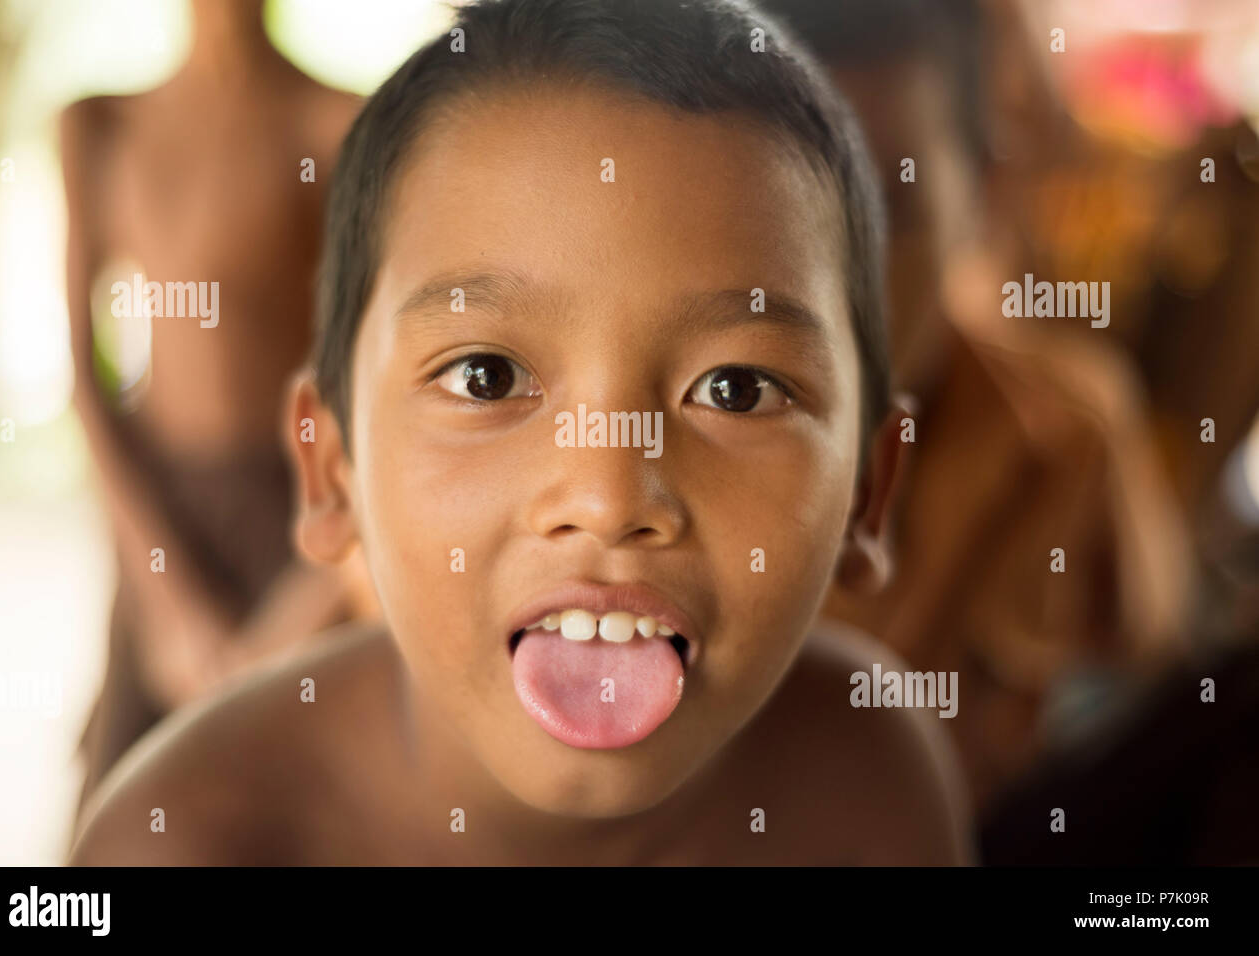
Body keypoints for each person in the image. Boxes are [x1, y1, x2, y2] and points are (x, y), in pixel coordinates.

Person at [69, 0, 971, 865]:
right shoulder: (186, 846)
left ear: (866, 489)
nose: (609, 497)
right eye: (485, 377)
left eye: (736, 389)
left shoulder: (874, 779)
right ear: (334, 469)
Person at [762, 0, 1195, 809]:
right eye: (772, 197)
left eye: (892, 201)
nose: (827, 267)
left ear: (986, 188)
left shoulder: (1068, 440)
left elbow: (1142, 740)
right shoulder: (624, 452)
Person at [60, 0, 363, 836]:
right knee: (110, 834)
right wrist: (167, 604)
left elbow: (378, 383)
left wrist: (307, 606)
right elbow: (86, 378)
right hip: (161, 529)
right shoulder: (99, 126)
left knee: (283, 822)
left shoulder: (332, 122)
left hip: (292, 516)